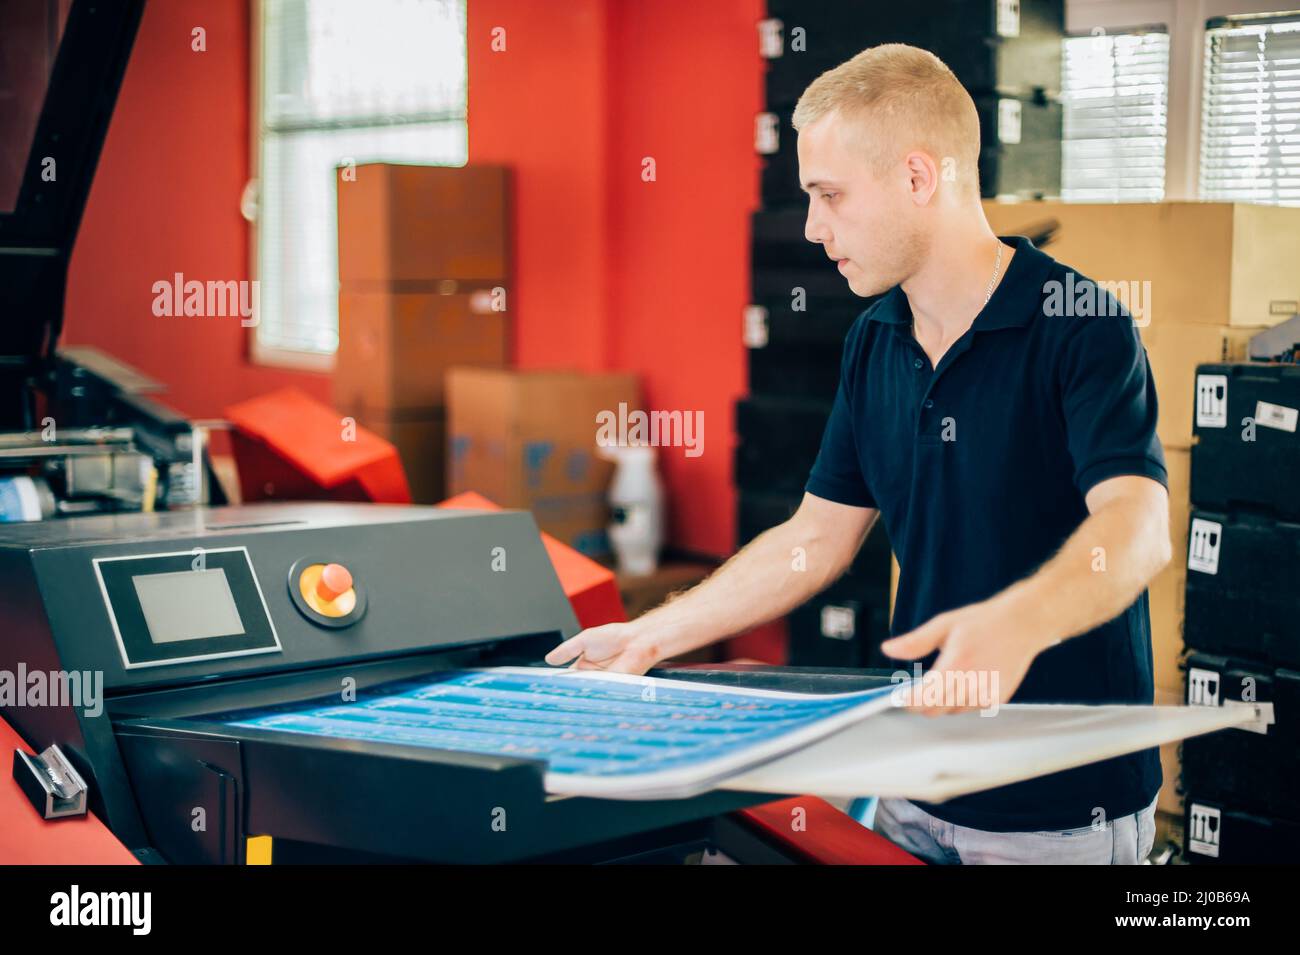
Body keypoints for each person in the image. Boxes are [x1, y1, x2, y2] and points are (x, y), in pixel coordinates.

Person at [546, 44, 1169, 864]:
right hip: (914, 788)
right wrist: (653, 637)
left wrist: (1018, 621)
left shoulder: (1080, 326)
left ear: (919, 178)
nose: (811, 227)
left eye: (830, 196)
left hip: (1058, 814)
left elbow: (1139, 527)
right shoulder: (873, 340)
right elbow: (816, 539)